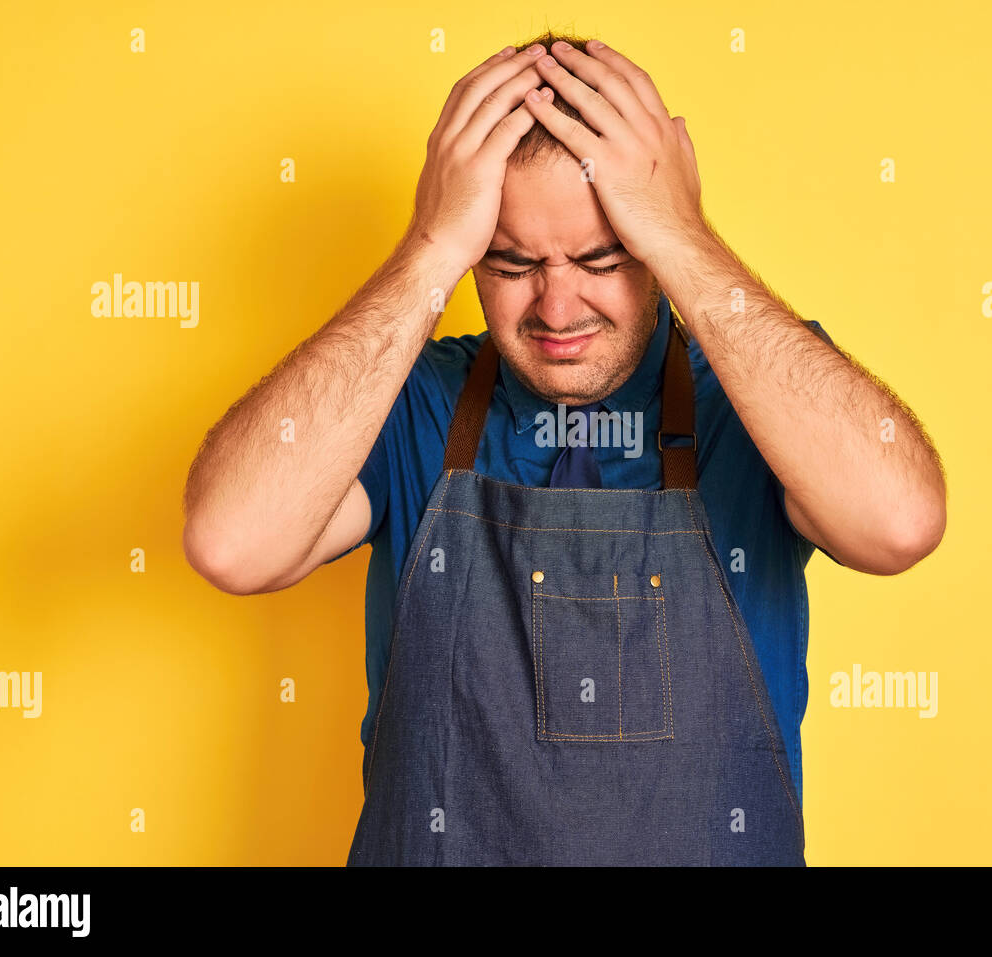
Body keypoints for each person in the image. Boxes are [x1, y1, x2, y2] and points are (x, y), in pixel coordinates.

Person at [181, 31, 947, 866]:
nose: (555, 305)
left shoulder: (754, 401)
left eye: (600, 258)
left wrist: (688, 238)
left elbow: (900, 521)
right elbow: (231, 542)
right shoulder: (411, 402)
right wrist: (427, 250)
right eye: (511, 262)